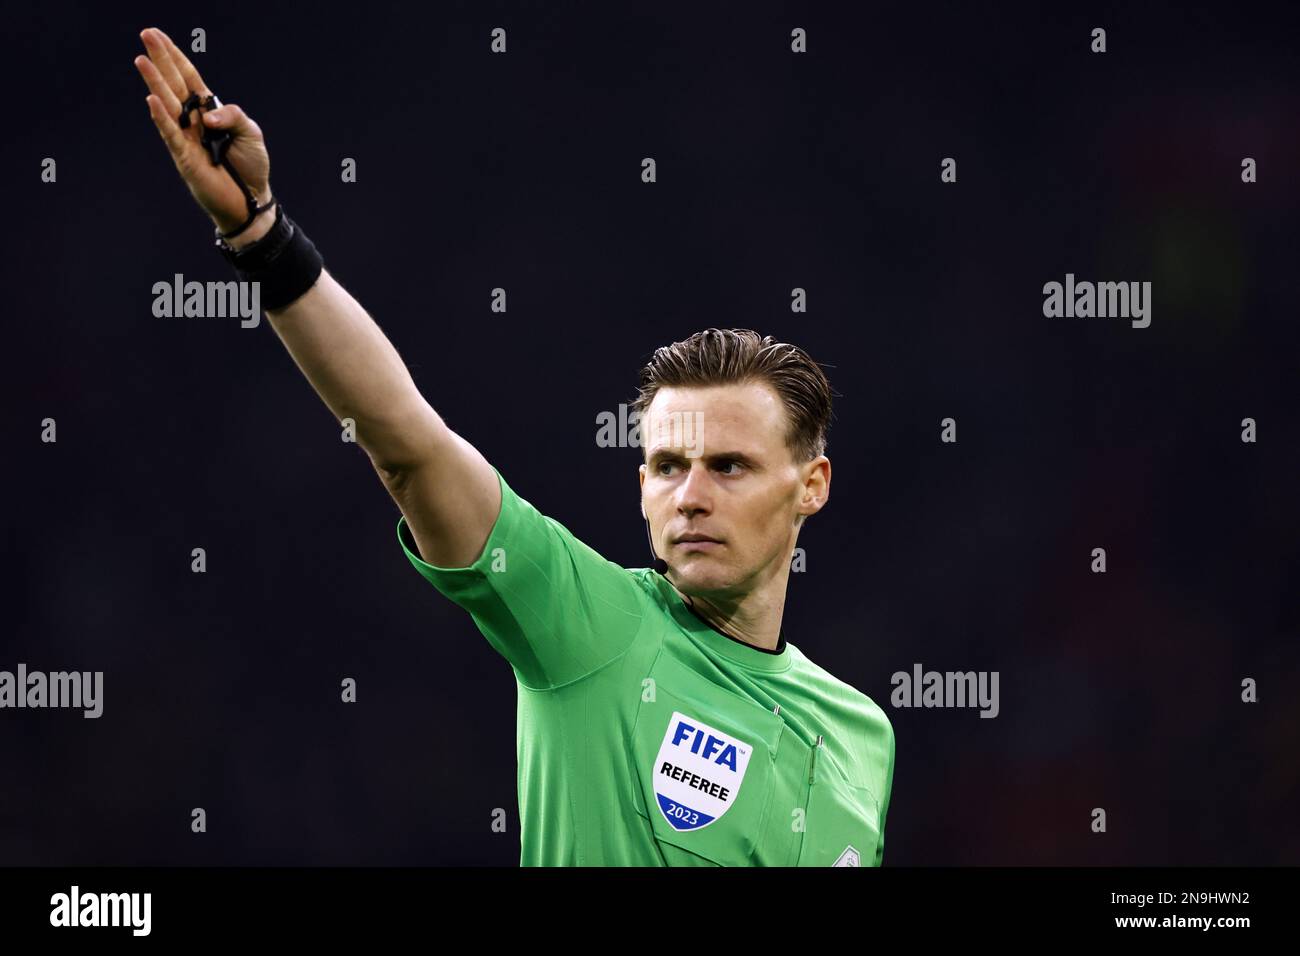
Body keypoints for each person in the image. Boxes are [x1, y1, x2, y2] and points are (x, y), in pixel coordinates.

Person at [134, 26, 894, 866]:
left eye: (730, 466)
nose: (690, 495)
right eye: (668, 467)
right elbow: (408, 445)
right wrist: (265, 237)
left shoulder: (862, 734)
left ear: (811, 483)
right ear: (641, 483)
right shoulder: (590, 624)